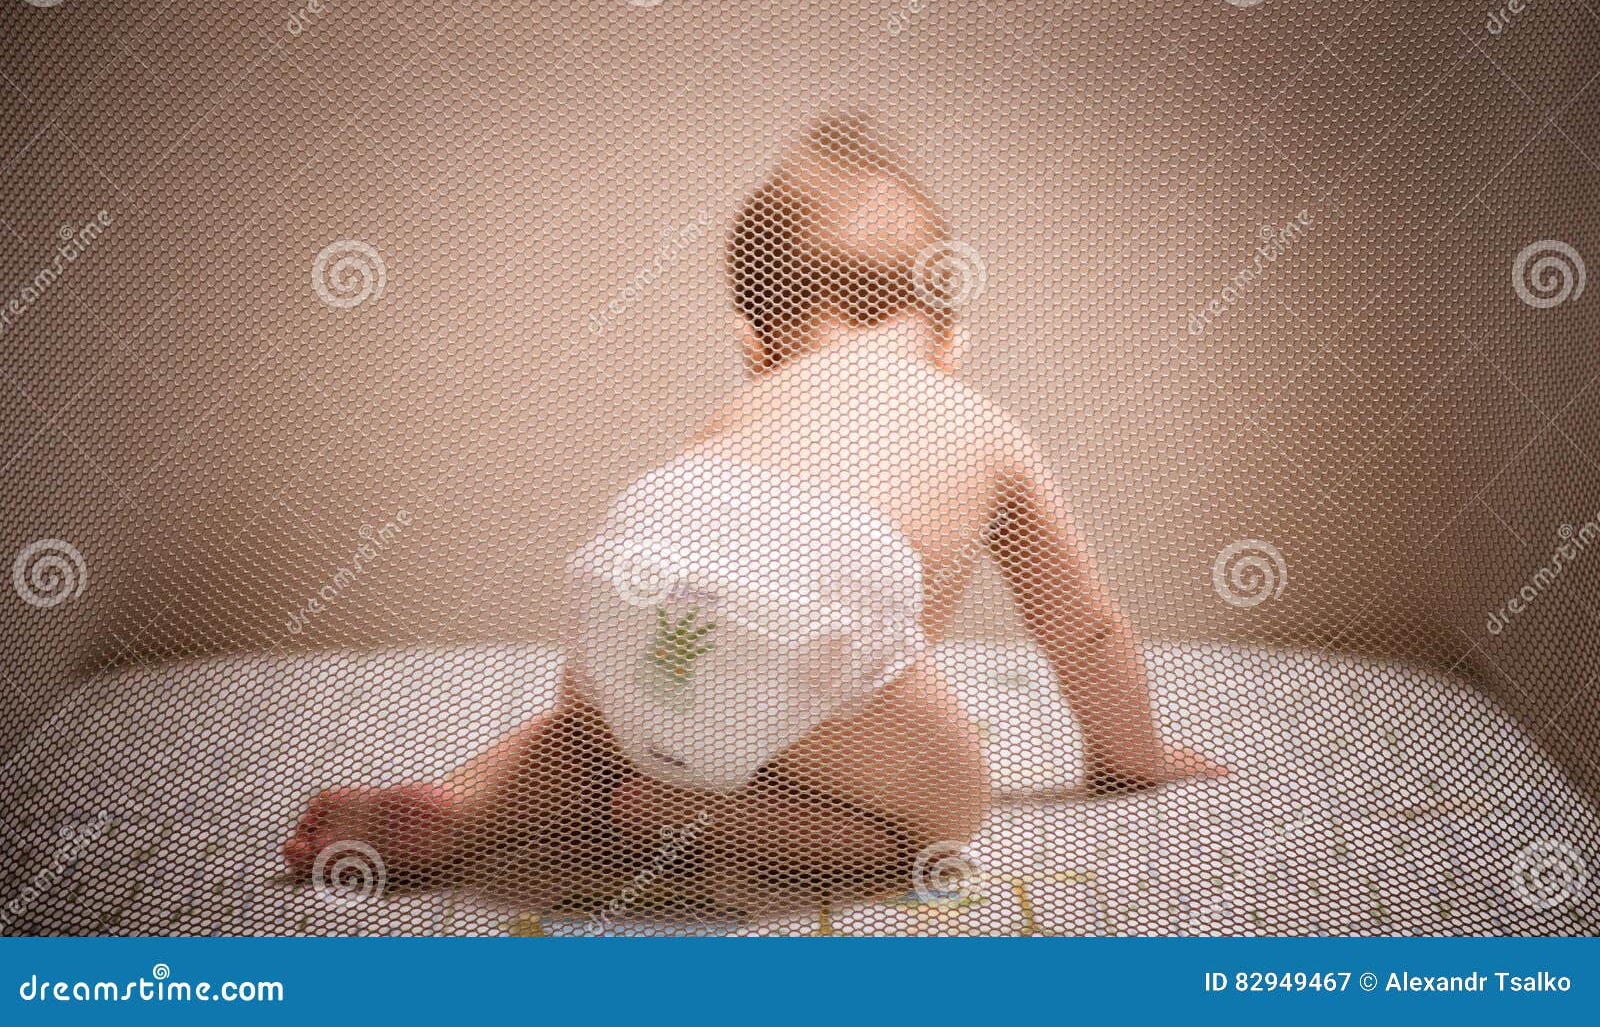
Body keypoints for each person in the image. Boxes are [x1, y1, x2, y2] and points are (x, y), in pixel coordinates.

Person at [283, 114, 1224, 912]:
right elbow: (1083, 626)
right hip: (815, 622)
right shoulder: (979, 422)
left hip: (639, 564)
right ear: (952, 343)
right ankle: (700, 815)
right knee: (953, 811)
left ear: (754, 342)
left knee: (584, 731)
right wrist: (1129, 753)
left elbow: (710, 520)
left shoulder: (756, 400)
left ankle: (465, 804)